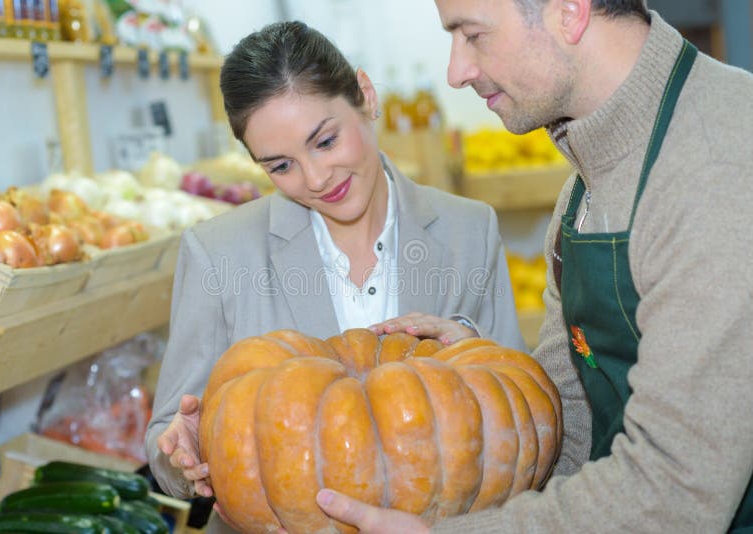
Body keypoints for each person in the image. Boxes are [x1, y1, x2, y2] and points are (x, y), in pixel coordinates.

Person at [315, 0, 753, 532]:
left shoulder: (719, 166)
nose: (456, 72)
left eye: (471, 35)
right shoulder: (583, 184)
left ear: (570, 12)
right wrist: (481, 382)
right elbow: (567, 420)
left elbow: (675, 492)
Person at [144, 20, 526, 533]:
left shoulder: (469, 229)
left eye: (325, 141)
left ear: (366, 97)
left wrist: (471, 347)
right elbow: (167, 444)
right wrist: (184, 456)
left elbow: (518, 418)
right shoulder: (217, 252)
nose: (316, 179)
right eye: (281, 166)